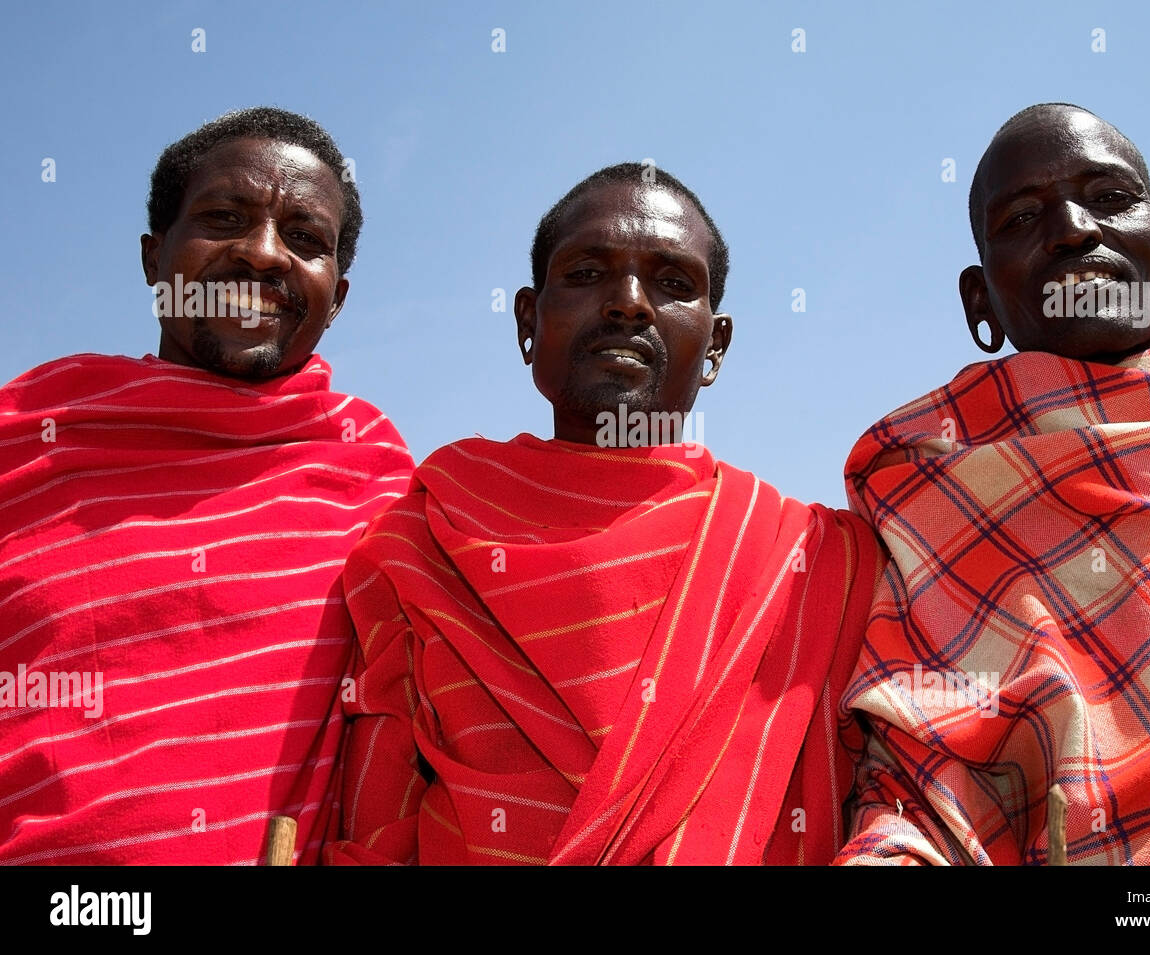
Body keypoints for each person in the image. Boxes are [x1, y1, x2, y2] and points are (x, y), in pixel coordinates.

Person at [326, 163, 876, 865]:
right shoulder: (425, 532)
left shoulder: (815, 558)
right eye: (587, 274)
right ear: (529, 321)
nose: (628, 303)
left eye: (674, 283)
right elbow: (374, 827)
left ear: (716, 347)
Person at [836, 103, 1150, 865]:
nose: (1075, 229)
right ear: (979, 303)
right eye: (1022, 218)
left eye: (1110, 197)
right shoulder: (933, 503)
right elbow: (916, 796)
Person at [0, 107, 413, 865]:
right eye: (224, 218)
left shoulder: (376, 475)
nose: (262, 254)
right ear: (154, 257)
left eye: (305, 238)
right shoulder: (25, 439)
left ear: (337, 293)